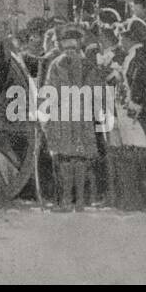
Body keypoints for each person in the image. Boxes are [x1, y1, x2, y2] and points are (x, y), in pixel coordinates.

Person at [45, 24, 99, 210]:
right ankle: (75, 200)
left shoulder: (61, 64)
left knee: (71, 158)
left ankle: (72, 200)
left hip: (70, 114)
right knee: (74, 157)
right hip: (75, 115)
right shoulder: (81, 64)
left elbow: (50, 90)